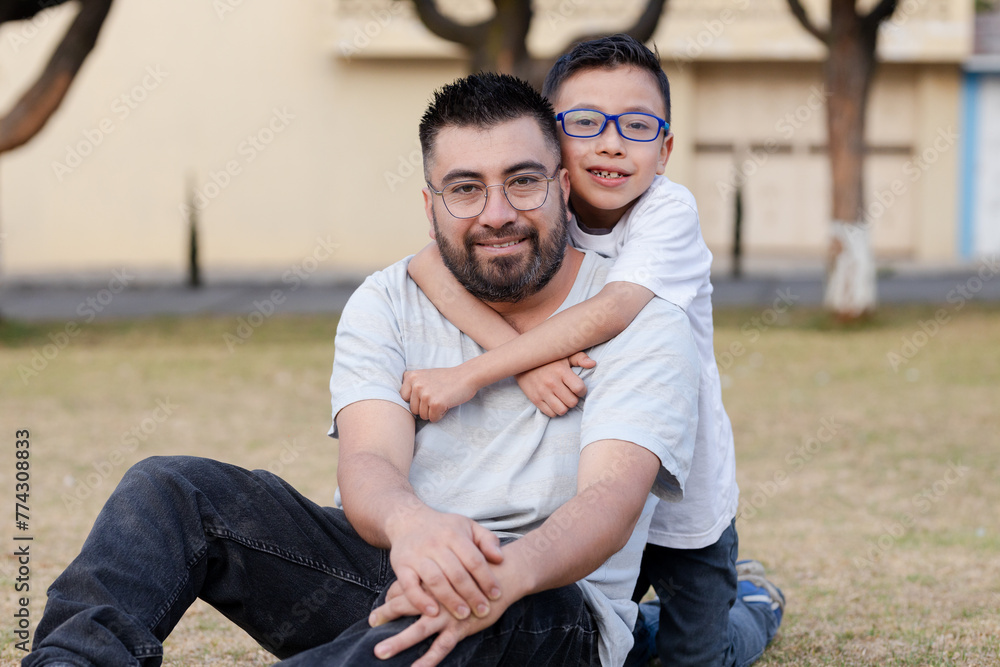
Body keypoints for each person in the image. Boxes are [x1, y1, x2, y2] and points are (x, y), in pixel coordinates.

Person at [25, 72, 701, 667]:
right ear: (429, 204)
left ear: (560, 184)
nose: (498, 214)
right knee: (170, 489)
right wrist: (412, 525)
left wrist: (498, 575)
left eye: (521, 181)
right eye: (465, 188)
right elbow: (370, 461)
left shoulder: (644, 318)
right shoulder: (387, 300)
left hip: (549, 605)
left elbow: (608, 503)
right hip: (392, 566)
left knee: (447, 617)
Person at [402, 35, 784, 667]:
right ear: (551, 146)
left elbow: (611, 311)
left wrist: (475, 372)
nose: (610, 143)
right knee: (606, 643)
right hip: (591, 486)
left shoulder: (666, 212)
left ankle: (756, 605)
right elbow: (428, 264)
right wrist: (529, 362)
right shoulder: (538, 204)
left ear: (664, 150)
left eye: (636, 126)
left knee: (701, 657)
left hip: (678, 490)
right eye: (584, 123)